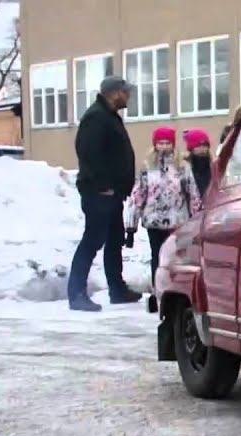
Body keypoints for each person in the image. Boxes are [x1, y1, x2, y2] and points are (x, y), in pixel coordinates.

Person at [67, 75, 142, 312]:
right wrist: (103, 185)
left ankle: (117, 289)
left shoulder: (108, 116)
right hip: (99, 193)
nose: (128, 95)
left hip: (112, 193)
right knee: (93, 240)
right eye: (124, 91)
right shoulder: (96, 117)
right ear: (113, 93)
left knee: (114, 240)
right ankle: (76, 293)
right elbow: (88, 154)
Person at [126, 127, 203, 314]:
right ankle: (157, 293)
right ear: (155, 144)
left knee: (176, 258)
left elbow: (192, 194)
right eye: (160, 143)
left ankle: (175, 293)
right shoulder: (147, 168)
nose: (164, 146)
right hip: (154, 221)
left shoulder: (182, 167)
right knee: (157, 257)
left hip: (178, 220)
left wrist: (197, 220)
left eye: (167, 143)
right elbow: (138, 196)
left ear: (173, 144)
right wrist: (130, 225)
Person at [183, 128, 213, 199]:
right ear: (191, 148)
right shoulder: (186, 167)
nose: (202, 149)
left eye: (205, 145)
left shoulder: (213, 165)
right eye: (198, 146)